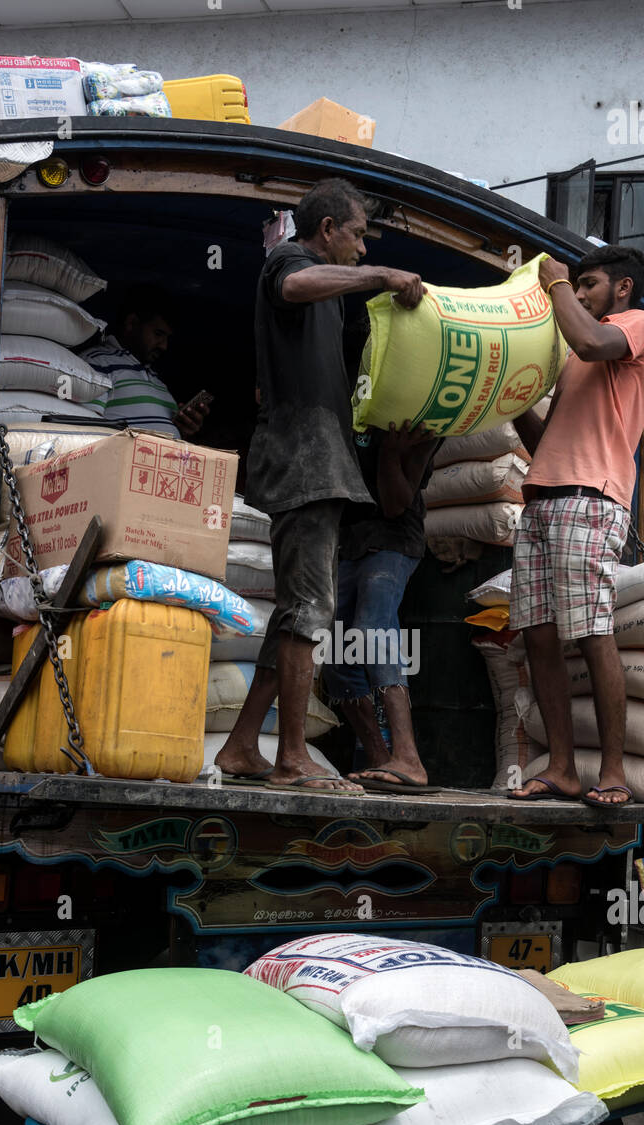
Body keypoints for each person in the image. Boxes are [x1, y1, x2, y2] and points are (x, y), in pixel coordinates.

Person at [213, 177, 425, 793]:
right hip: (303, 462)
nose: (362, 249)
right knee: (309, 612)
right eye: (357, 235)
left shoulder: (329, 297)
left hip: (316, 459)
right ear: (328, 229)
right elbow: (291, 285)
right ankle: (292, 760)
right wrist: (381, 276)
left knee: (293, 615)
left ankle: (242, 746)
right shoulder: (293, 259)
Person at [507, 244, 644, 807]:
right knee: (538, 636)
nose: (581, 291)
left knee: (592, 630)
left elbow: (593, 341)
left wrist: (555, 284)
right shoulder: (575, 358)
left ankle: (613, 773)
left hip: (591, 498)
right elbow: (544, 443)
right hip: (543, 496)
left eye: (589, 283)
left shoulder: (635, 325)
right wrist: (513, 399)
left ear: (621, 288)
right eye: (579, 285)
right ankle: (564, 769)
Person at [322, 419, 437, 793]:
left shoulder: (426, 425)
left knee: (372, 631)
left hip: (393, 541)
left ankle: (408, 757)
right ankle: (378, 758)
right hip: (348, 543)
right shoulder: (353, 410)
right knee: (337, 656)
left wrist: (390, 450)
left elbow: (395, 503)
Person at [82, 285, 209, 439]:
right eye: (158, 334)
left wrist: (183, 428)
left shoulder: (157, 380)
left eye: (167, 338)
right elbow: (86, 430)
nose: (164, 346)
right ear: (132, 323)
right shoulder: (98, 363)